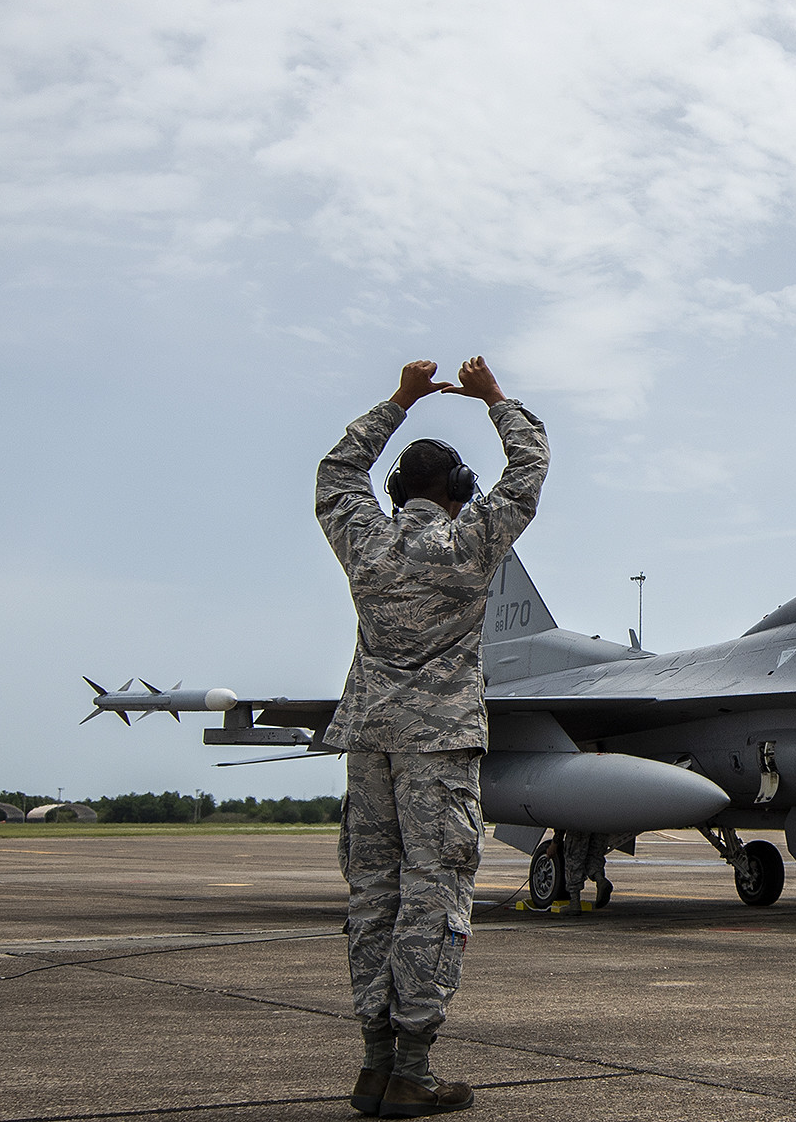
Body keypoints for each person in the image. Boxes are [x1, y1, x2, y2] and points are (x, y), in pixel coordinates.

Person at [321, 356, 550, 1120]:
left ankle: (373, 1065)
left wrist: (398, 400)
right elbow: (531, 462)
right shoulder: (471, 542)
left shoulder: (365, 541)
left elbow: (335, 470)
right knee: (434, 892)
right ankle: (413, 1070)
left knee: (373, 895)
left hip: (371, 741)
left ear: (395, 493)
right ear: (456, 492)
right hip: (440, 745)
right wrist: (494, 397)